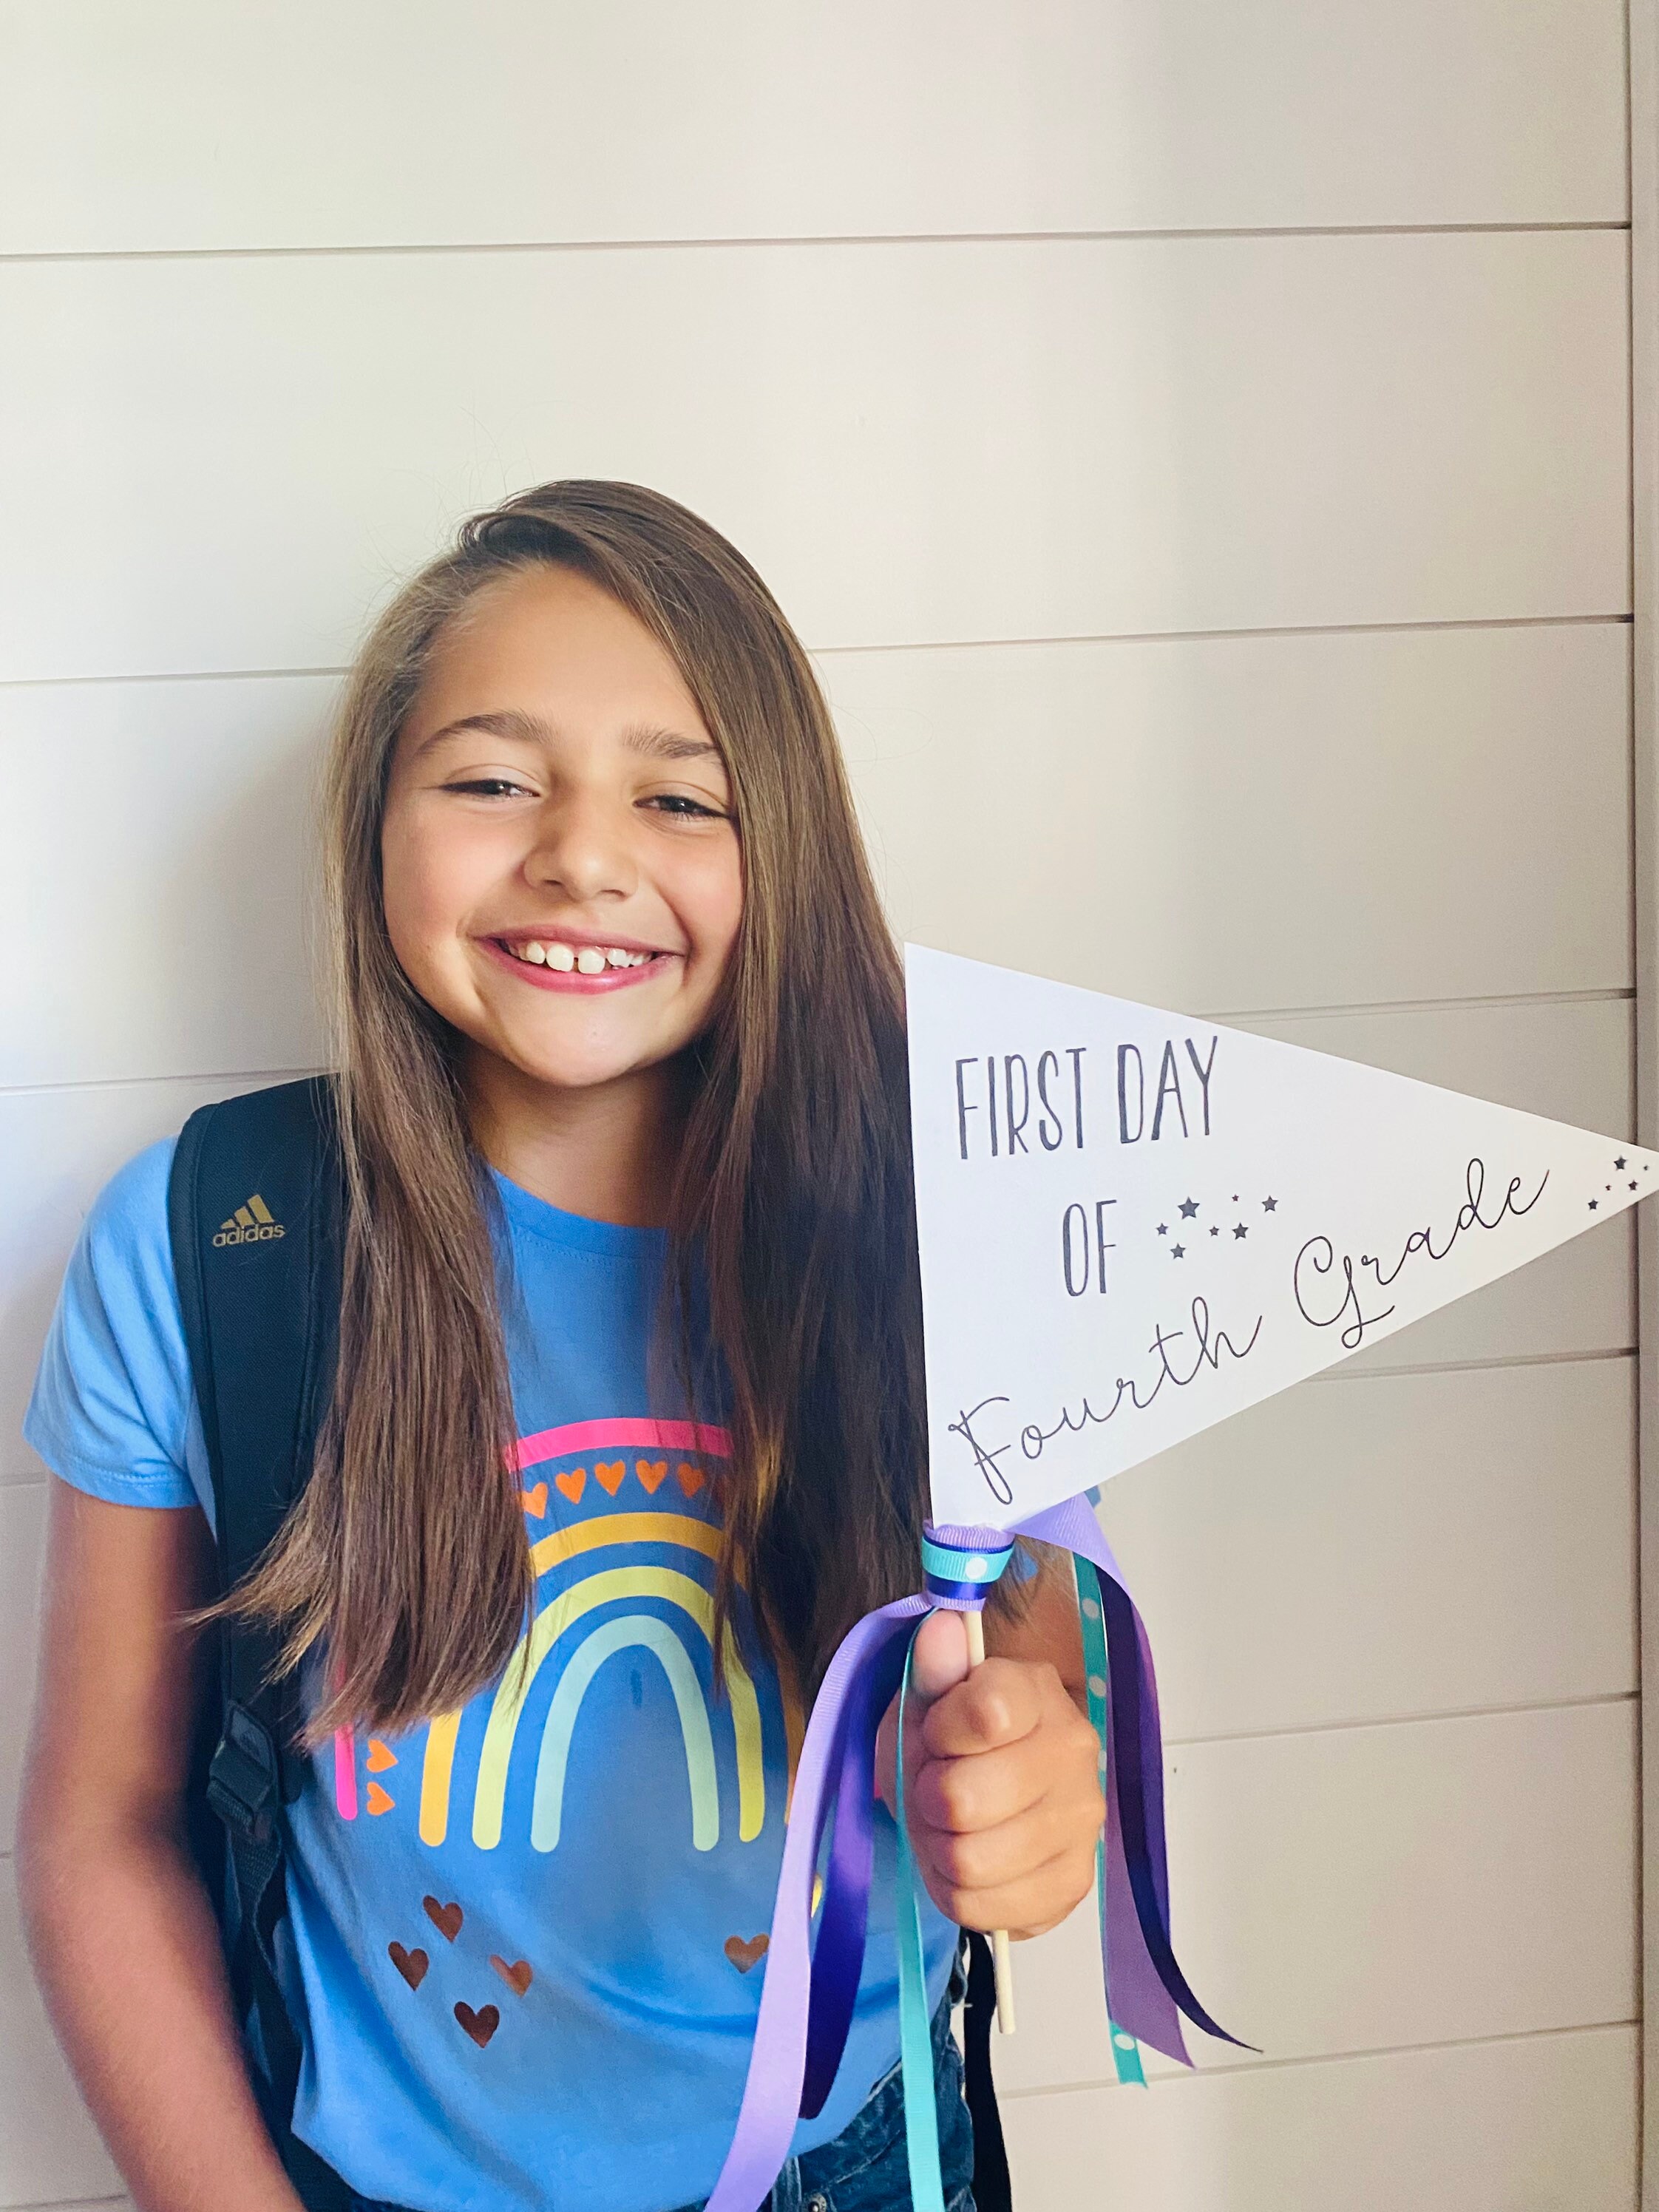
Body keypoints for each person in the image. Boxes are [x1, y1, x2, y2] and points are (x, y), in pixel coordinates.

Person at [18, 481, 1105, 2212]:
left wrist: (1047, 1794)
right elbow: (99, 1828)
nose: (581, 853)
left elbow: (1038, 1685)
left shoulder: (962, 1232)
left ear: (787, 849)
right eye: (491, 779)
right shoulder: (205, 1247)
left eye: (679, 795)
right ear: (376, 817)